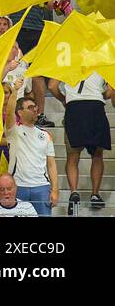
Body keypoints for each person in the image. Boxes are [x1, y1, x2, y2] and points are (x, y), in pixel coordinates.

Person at [50, 73, 112, 213]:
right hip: (95, 107)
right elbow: (110, 90)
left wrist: (64, 99)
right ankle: (95, 194)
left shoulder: (68, 61)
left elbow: (51, 85)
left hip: (74, 107)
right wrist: (101, 94)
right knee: (97, 155)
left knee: (72, 156)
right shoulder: (101, 61)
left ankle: (73, 192)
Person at [6, 96, 58, 217]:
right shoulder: (13, 131)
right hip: (18, 186)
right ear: (20, 112)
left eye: (35, 107)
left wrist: (55, 190)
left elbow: (51, 164)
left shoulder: (45, 135)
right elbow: (9, 114)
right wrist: (15, 91)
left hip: (42, 187)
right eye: (30, 107)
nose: (35, 110)